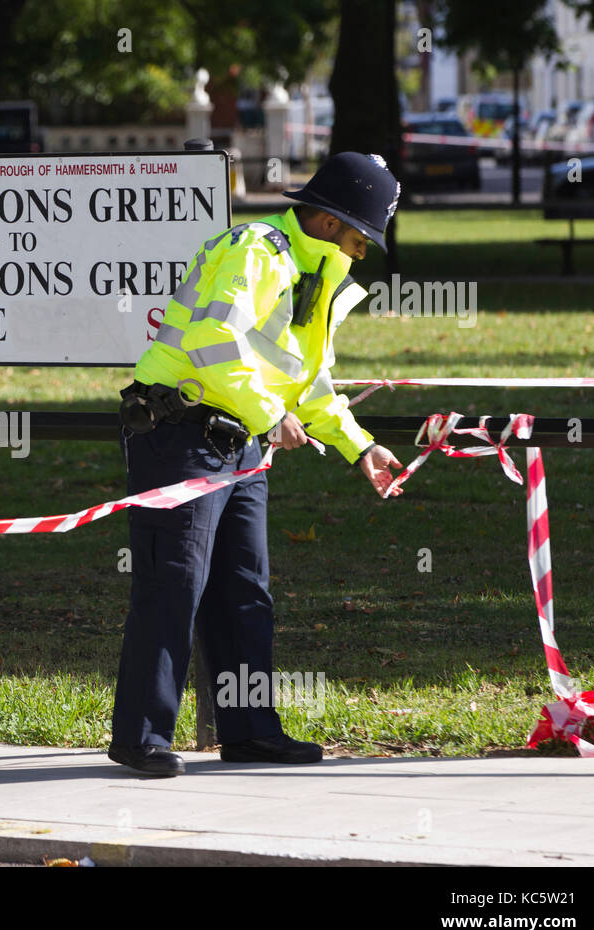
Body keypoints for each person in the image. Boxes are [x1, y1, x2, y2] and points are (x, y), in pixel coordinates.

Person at [108, 152, 404, 776]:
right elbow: (215, 342)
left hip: (239, 439)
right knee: (173, 584)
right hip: (180, 430)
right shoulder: (258, 251)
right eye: (361, 235)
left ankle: (249, 733)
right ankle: (140, 737)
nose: (366, 250)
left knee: (245, 590)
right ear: (329, 220)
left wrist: (360, 447)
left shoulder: (318, 273)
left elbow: (310, 382)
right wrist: (270, 414)